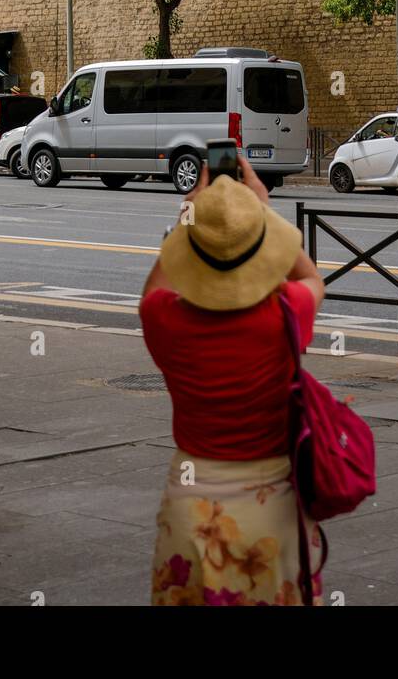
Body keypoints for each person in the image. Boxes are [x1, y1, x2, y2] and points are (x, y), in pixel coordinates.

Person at [139, 154, 325, 607]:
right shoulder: (285, 313)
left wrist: (192, 214)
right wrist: (258, 209)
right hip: (272, 500)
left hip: (192, 500)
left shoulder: (164, 318)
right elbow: (311, 276)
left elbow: (153, 289)